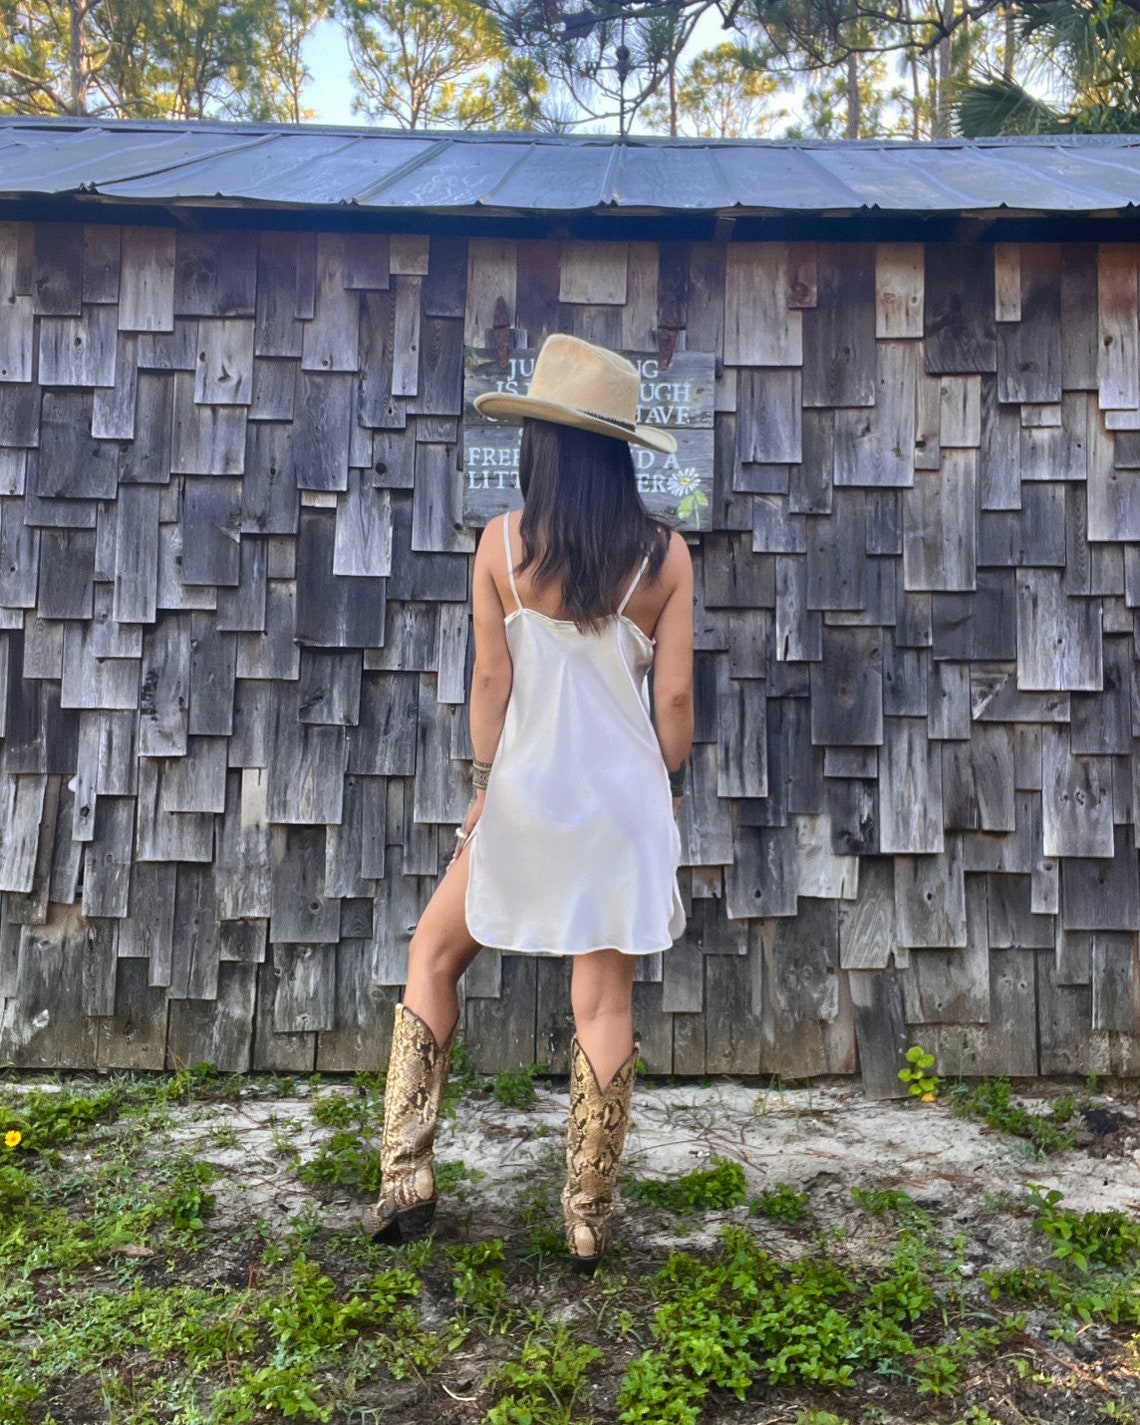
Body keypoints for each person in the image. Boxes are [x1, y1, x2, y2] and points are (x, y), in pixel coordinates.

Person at [362, 333, 695, 1273]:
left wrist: (482, 794)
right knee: (603, 1000)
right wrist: (651, 779)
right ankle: (587, 1212)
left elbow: (490, 685)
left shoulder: (503, 547)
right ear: (618, 449)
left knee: (432, 953)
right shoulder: (664, 558)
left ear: (539, 445)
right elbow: (672, 705)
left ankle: (405, 1171)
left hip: (523, 800)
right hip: (618, 810)